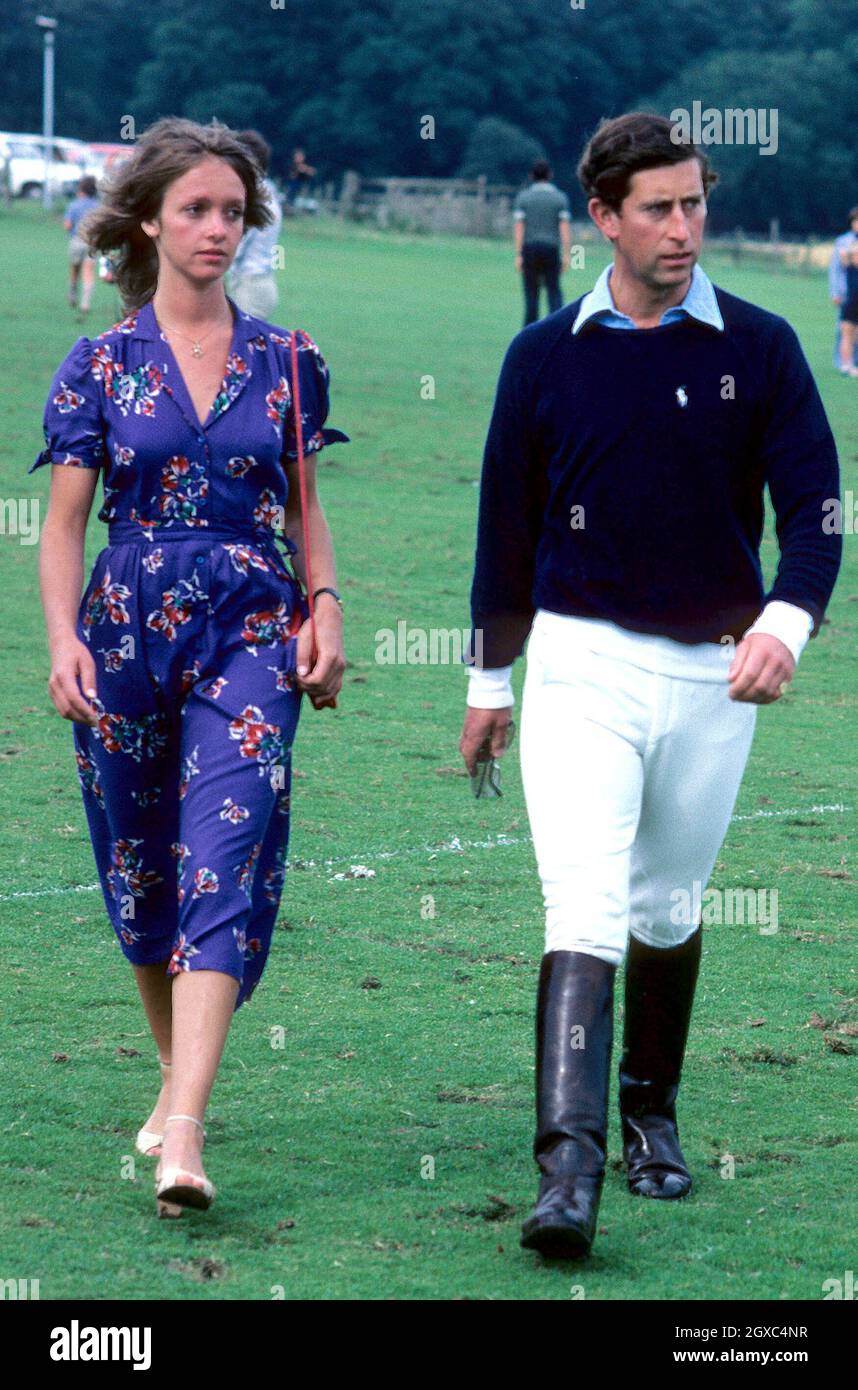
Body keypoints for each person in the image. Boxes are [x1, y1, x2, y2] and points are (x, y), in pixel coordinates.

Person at [460, 111, 842, 1259]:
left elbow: (817, 513)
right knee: (583, 906)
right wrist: (487, 677)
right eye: (659, 209)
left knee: (667, 906)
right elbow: (502, 531)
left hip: (715, 679)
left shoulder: (764, 347)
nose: (684, 228)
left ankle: (651, 1109)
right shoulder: (543, 358)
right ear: (604, 220)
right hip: (580, 661)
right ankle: (567, 1178)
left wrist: (786, 621)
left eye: (696, 203)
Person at [28, 116, 350, 1218]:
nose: (218, 229)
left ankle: (190, 1132)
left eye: (232, 211)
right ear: (151, 219)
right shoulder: (99, 363)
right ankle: (173, 1079)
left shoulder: (288, 360)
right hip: (121, 632)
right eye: (197, 210)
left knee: (223, 853)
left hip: (252, 630)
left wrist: (327, 608)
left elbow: (309, 509)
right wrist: (62, 637)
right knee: (140, 871)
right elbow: (64, 524)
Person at [228, 130, 283, 318]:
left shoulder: (258, 200)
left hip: (252, 285)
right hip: (252, 283)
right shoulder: (262, 193)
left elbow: (238, 245)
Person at [513, 159, 573, 326]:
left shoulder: (523, 198)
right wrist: (567, 255)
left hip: (530, 249)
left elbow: (519, 227)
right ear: (550, 175)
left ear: (531, 176)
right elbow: (564, 228)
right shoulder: (560, 198)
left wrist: (518, 254)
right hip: (551, 249)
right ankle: (558, 330)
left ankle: (529, 334)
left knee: (531, 294)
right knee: (554, 292)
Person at [64, 175, 100, 320]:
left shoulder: (74, 205)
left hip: (77, 240)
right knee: (88, 270)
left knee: (75, 268)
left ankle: (72, 292)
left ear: (81, 189)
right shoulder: (99, 206)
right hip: (92, 242)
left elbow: (67, 225)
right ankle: (85, 303)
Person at [828, 206, 858, 370]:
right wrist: (835, 292)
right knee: (844, 328)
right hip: (848, 291)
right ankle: (842, 362)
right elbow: (835, 270)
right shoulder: (843, 242)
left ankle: (854, 361)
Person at [836, 240, 858, 377]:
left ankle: (852, 364)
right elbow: (842, 252)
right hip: (850, 305)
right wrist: (853, 248)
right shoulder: (849, 267)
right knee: (846, 336)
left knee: (855, 338)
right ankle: (845, 365)